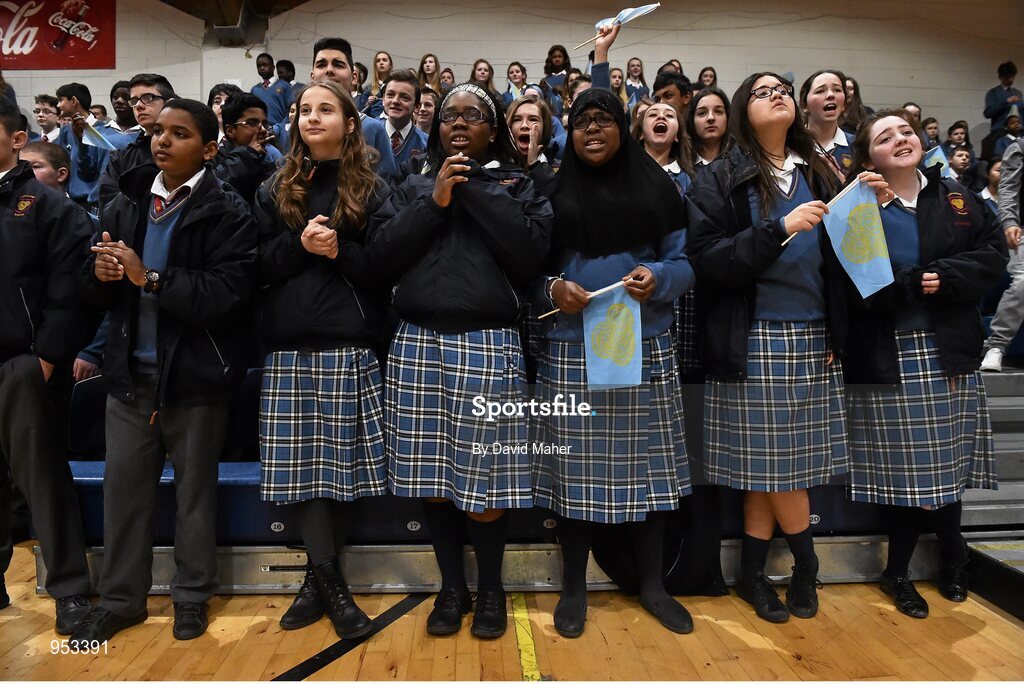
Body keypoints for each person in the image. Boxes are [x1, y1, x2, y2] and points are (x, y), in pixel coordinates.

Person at [70, 98, 256, 647]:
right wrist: (101, 273)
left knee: (194, 496)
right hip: (129, 376)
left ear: (209, 148)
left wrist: (147, 278)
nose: (163, 141)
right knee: (123, 495)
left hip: (195, 379)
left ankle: (192, 596)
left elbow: (223, 297)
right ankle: (122, 601)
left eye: (179, 133)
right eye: (159, 132)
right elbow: (93, 290)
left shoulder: (229, 212)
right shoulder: (125, 202)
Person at [372, 82, 552, 639]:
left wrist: (473, 189)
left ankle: (491, 588)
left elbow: (529, 255)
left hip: (487, 342)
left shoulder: (520, 184)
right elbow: (380, 259)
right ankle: (452, 587)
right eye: (448, 114)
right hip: (417, 342)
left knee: (487, 483)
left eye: (473, 115)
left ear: (492, 130)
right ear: (434, 126)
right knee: (430, 479)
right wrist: (434, 201)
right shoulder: (410, 186)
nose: (457, 122)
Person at [687, 72, 852, 624]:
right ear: (740, 112)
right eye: (760, 91)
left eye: (782, 87)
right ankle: (806, 565)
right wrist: (779, 227)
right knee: (780, 468)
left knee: (773, 471)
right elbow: (709, 261)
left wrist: (868, 206)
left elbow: (849, 264)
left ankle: (753, 576)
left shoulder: (823, 173)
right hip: (753, 336)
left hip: (814, 337)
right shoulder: (717, 177)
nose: (776, 93)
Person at [534, 86, 695, 637]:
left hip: (644, 344)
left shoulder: (660, 190)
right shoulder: (551, 193)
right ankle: (574, 586)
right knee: (574, 471)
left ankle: (652, 585)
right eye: (583, 123)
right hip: (573, 348)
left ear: (622, 129)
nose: (594, 131)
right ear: (569, 133)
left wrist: (662, 279)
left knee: (652, 469)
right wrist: (554, 287)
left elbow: (685, 264)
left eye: (604, 121)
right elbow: (529, 271)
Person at [845, 110, 1004, 618]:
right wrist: (913, 281)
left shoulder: (954, 194)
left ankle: (951, 557)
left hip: (950, 349)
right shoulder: (858, 206)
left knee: (947, 468)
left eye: (906, 131)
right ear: (869, 154)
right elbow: (859, 284)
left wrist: (945, 276)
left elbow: (993, 255)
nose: (901, 140)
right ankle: (905, 570)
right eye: (885, 136)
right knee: (910, 474)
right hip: (894, 353)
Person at [255, 80, 391, 638]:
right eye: (305, 110)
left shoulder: (375, 188)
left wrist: (337, 253)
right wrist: (297, 247)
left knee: (341, 471)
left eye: (326, 109)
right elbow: (253, 266)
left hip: (349, 342)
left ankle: (319, 580)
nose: (313, 117)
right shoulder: (273, 188)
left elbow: (385, 268)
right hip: (289, 346)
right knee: (306, 475)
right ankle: (332, 585)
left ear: (350, 122)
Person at [0, 98, 96, 635]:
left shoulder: (46, 204)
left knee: (42, 479)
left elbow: (70, 292)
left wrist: (46, 358)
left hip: (24, 362)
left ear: (17, 138)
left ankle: (69, 590)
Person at [308, 38, 397, 181]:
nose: (329, 70)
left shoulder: (374, 129)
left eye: (338, 65)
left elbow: (387, 189)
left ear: (354, 78)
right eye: (321, 65)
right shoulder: (304, 127)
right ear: (312, 77)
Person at [99, 73, 176, 213]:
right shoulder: (122, 157)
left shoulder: (186, 151)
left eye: (148, 98)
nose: (139, 106)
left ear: (169, 103)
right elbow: (108, 204)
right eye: (134, 100)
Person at [982, 137, 1024, 372]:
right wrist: (1009, 221)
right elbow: (1008, 188)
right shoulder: (1019, 147)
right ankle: (996, 345)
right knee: (1023, 282)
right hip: (1022, 231)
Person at [213, 93, 279, 205]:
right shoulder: (213, 161)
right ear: (230, 131)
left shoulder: (270, 159)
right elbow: (217, 195)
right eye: (252, 123)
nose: (263, 130)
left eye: (264, 123)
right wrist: (248, 154)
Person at [55, 82, 109, 215]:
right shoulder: (65, 132)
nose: (58, 105)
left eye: (61, 100)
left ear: (73, 100)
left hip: (94, 206)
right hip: (70, 202)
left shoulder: (104, 131)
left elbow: (103, 172)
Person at [800, 69, 855, 179]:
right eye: (820, 91)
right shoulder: (789, 145)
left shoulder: (857, 146)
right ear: (804, 105)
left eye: (837, 90)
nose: (830, 95)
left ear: (844, 105)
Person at [633, 101, 693, 195]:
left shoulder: (685, 180)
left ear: (677, 136)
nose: (661, 117)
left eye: (669, 115)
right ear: (641, 133)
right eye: (653, 115)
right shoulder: (623, 173)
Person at [507, 95, 556, 196]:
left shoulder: (557, 169)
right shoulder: (495, 167)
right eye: (517, 119)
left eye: (533, 119)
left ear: (544, 127)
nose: (524, 125)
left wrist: (534, 166)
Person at [382, 69, 429, 165]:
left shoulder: (426, 143)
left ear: (417, 107)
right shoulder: (368, 133)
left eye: (404, 97)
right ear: (383, 100)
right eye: (390, 95)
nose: (395, 101)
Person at [686, 86, 732, 167]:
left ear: (728, 117)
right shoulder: (680, 166)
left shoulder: (742, 162)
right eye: (702, 113)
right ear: (692, 120)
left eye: (718, 112)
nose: (711, 117)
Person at [99, 81, 142, 150]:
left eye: (126, 97)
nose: (119, 101)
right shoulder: (99, 132)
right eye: (115, 97)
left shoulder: (146, 134)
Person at [250, 52, 291, 125]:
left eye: (265, 65)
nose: (262, 68)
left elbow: (291, 109)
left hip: (280, 130)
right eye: (259, 66)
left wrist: (281, 127)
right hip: (260, 130)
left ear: (273, 67)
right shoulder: (254, 90)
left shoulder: (285, 86)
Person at [984, 61, 1022, 136]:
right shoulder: (993, 93)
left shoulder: (1018, 93)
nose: (1011, 80)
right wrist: (1006, 101)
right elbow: (988, 113)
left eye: (1012, 77)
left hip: (1018, 131)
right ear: (1001, 77)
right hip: (1000, 131)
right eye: (1007, 77)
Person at [363, 51, 393, 119]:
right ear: (375, 65)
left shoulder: (396, 86)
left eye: (384, 60)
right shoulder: (368, 88)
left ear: (390, 65)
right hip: (373, 121)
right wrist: (368, 103)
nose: (381, 63)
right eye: (378, 61)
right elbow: (361, 112)